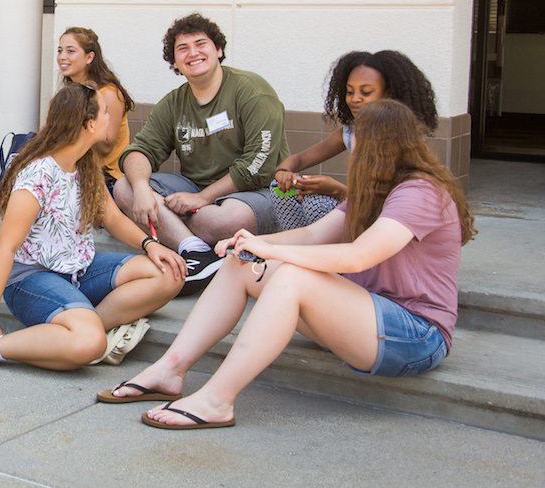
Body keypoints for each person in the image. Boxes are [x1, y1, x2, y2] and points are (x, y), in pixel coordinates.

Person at [99, 100, 472, 431]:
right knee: (240, 262)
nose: (351, 152)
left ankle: (216, 400)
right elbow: (311, 237)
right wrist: (250, 242)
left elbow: (360, 255)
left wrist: (273, 252)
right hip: (366, 319)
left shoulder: (419, 192)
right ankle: (170, 369)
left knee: (292, 277)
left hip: (416, 336)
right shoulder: (375, 189)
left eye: (356, 143)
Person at [0, 82, 186, 373]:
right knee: (89, 343)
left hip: (78, 268)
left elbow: (114, 219)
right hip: (31, 279)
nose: (111, 118)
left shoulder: (86, 163)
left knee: (169, 272)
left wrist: (152, 245)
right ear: (88, 124)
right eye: (105, 113)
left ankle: (82, 325)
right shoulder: (38, 173)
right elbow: (5, 247)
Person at [113, 13, 288, 295]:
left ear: (218, 50)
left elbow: (259, 163)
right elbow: (141, 150)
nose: (193, 53)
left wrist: (203, 199)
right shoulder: (173, 102)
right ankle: (197, 252)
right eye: (182, 49)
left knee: (227, 220)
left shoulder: (252, 90)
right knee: (124, 187)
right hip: (195, 193)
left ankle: (177, 234)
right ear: (174, 62)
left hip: (257, 193)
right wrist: (142, 188)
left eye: (201, 44)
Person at [271, 50, 438, 231]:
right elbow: (300, 159)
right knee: (280, 189)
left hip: (385, 219)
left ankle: (320, 253)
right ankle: (297, 246)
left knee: (317, 205)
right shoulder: (350, 132)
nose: (355, 99)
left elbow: (389, 201)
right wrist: (284, 172)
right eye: (350, 92)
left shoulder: (402, 139)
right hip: (354, 204)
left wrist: (337, 190)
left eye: (366, 92)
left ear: (388, 94)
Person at [56, 27, 135, 193]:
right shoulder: (71, 91)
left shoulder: (109, 94)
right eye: (60, 50)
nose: (62, 57)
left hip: (106, 180)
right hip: (76, 172)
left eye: (71, 51)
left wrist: (77, 119)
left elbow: (106, 147)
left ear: (90, 57)